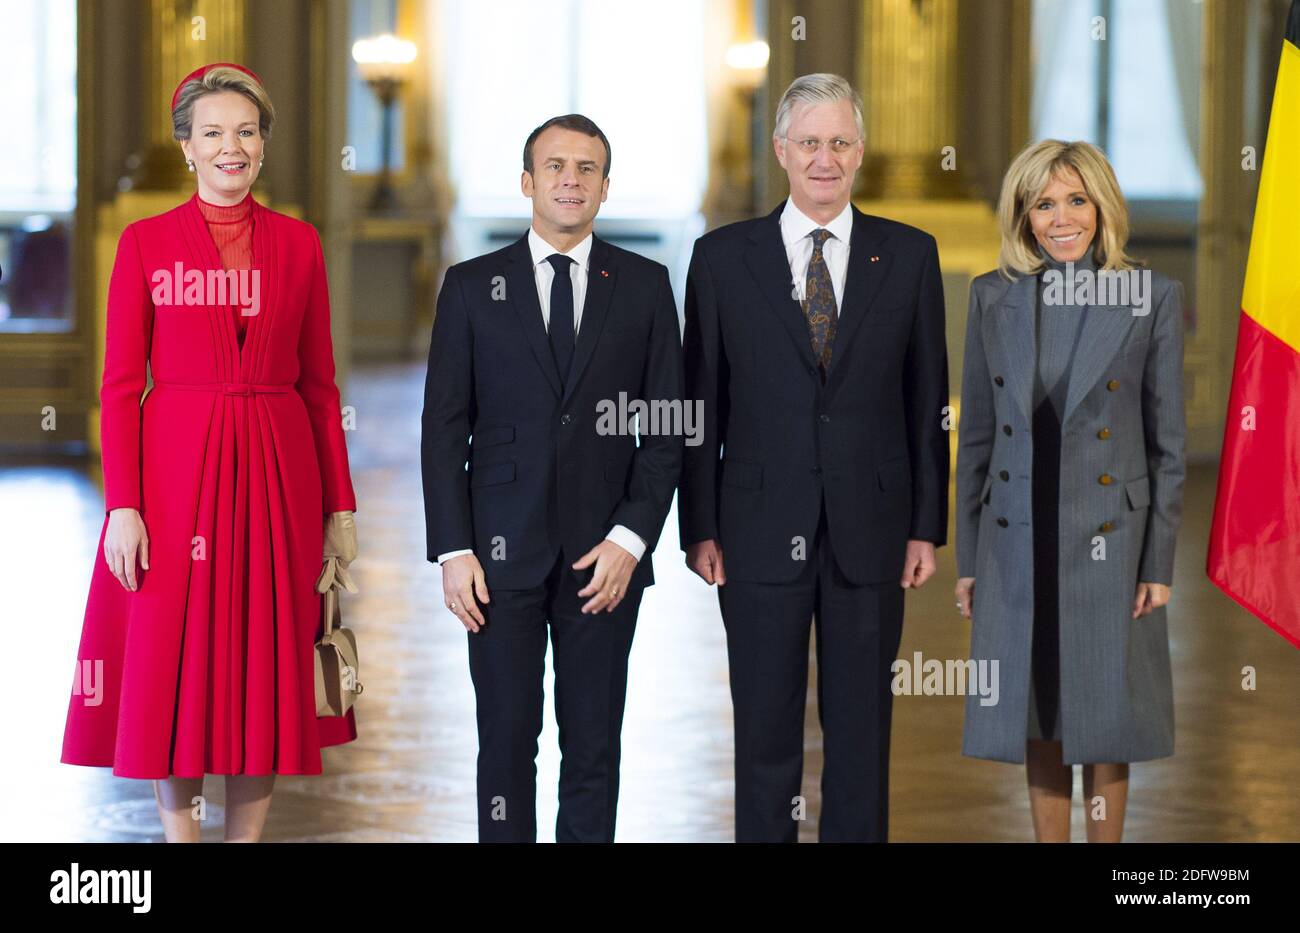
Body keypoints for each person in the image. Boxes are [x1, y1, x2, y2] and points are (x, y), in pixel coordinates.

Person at [61, 63, 360, 843]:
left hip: (278, 470)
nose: (234, 148)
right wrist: (122, 504)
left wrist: (341, 507)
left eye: (248, 132)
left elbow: (323, 387)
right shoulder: (144, 243)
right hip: (173, 476)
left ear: (263, 143)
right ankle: (181, 839)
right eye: (215, 134)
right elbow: (121, 386)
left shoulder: (299, 244)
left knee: (262, 662)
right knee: (171, 660)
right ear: (187, 146)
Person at [679, 73, 949, 842]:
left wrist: (925, 524)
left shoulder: (909, 255)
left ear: (860, 152)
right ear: (781, 150)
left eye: (838, 142)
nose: (823, 159)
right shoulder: (721, 259)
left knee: (862, 733)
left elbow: (928, 397)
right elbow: (701, 407)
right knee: (763, 730)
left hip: (874, 529)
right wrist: (699, 524)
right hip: (754, 527)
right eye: (808, 142)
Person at [421, 114, 683, 843]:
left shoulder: (645, 286)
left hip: (605, 557)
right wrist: (452, 548)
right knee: (505, 744)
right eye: (556, 166)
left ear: (605, 185)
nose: (572, 179)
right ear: (527, 182)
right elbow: (444, 426)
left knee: (594, 748)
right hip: (493, 558)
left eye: (587, 168)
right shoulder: (471, 287)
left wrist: (632, 538)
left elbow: (666, 428)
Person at [955, 139, 1185, 842]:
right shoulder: (992, 297)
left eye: (1075, 200)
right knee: (1038, 710)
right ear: (1023, 216)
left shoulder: (1150, 297)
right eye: (1043, 203)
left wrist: (1159, 566)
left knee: (1105, 714)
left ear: (1101, 207)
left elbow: (1167, 445)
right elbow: (977, 443)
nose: (1061, 218)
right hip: (1017, 540)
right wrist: (969, 559)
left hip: (1110, 542)